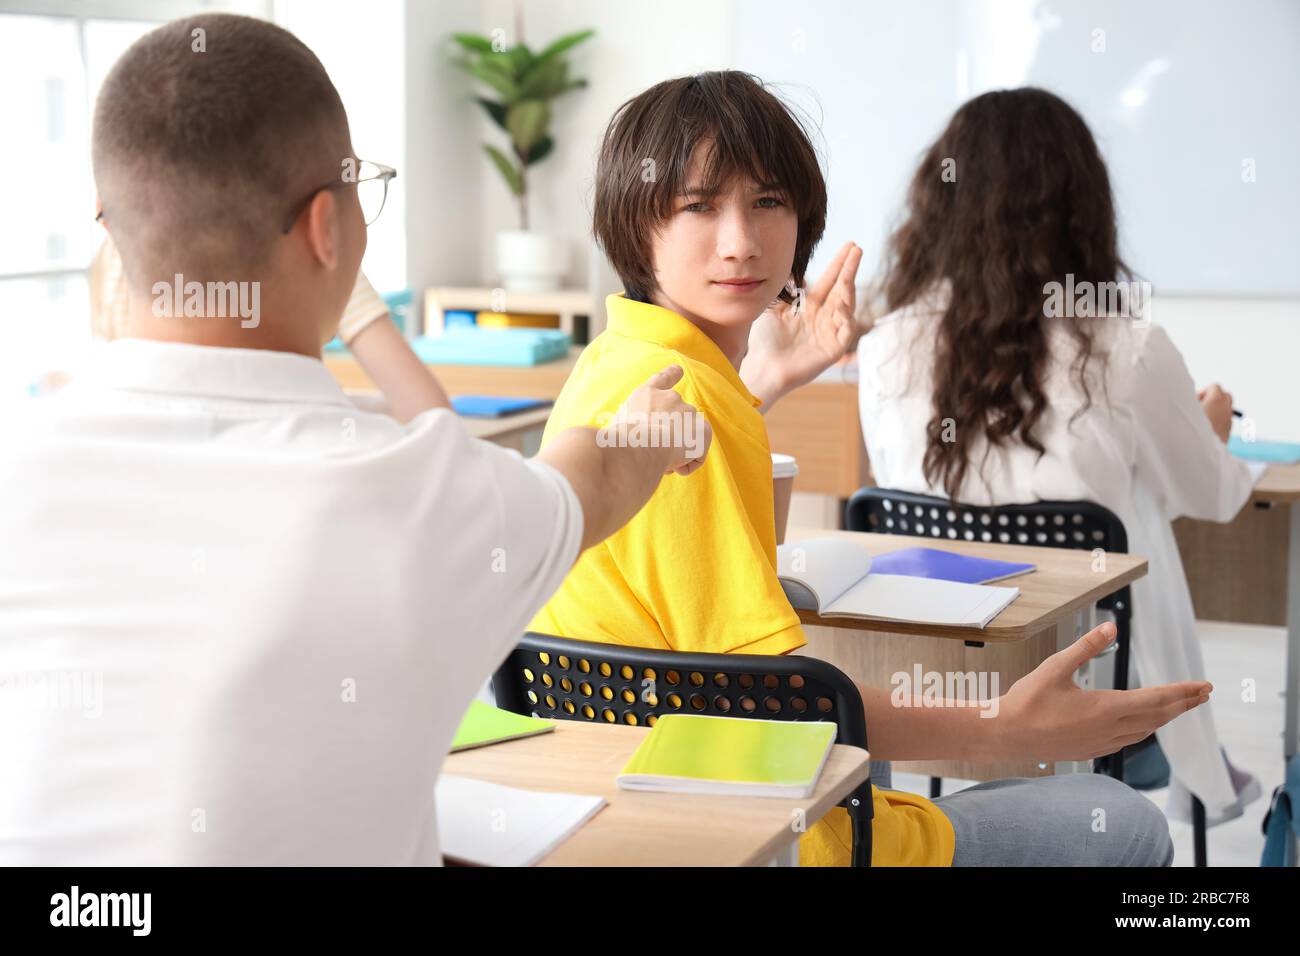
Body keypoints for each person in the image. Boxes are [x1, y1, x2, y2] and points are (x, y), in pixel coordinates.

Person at [0, 13, 710, 865]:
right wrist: (654, 428)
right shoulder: (411, 493)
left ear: (108, 226)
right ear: (326, 229)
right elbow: (592, 478)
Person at [530, 71, 1201, 865]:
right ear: (634, 222)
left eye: (767, 201)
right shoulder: (692, 403)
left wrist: (764, 381)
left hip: (631, 802)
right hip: (751, 825)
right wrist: (1007, 727)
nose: (740, 241)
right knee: (1125, 819)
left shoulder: (616, 365)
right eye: (698, 206)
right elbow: (771, 698)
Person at [857, 87, 1259, 826]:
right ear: (1085, 206)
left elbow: (901, 496)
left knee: (1124, 505)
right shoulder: (1128, 347)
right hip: (1091, 698)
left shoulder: (884, 347)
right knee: (1134, 511)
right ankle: (1194, 770)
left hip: (932, 694)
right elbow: (1215, 496)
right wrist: (1209, 434)